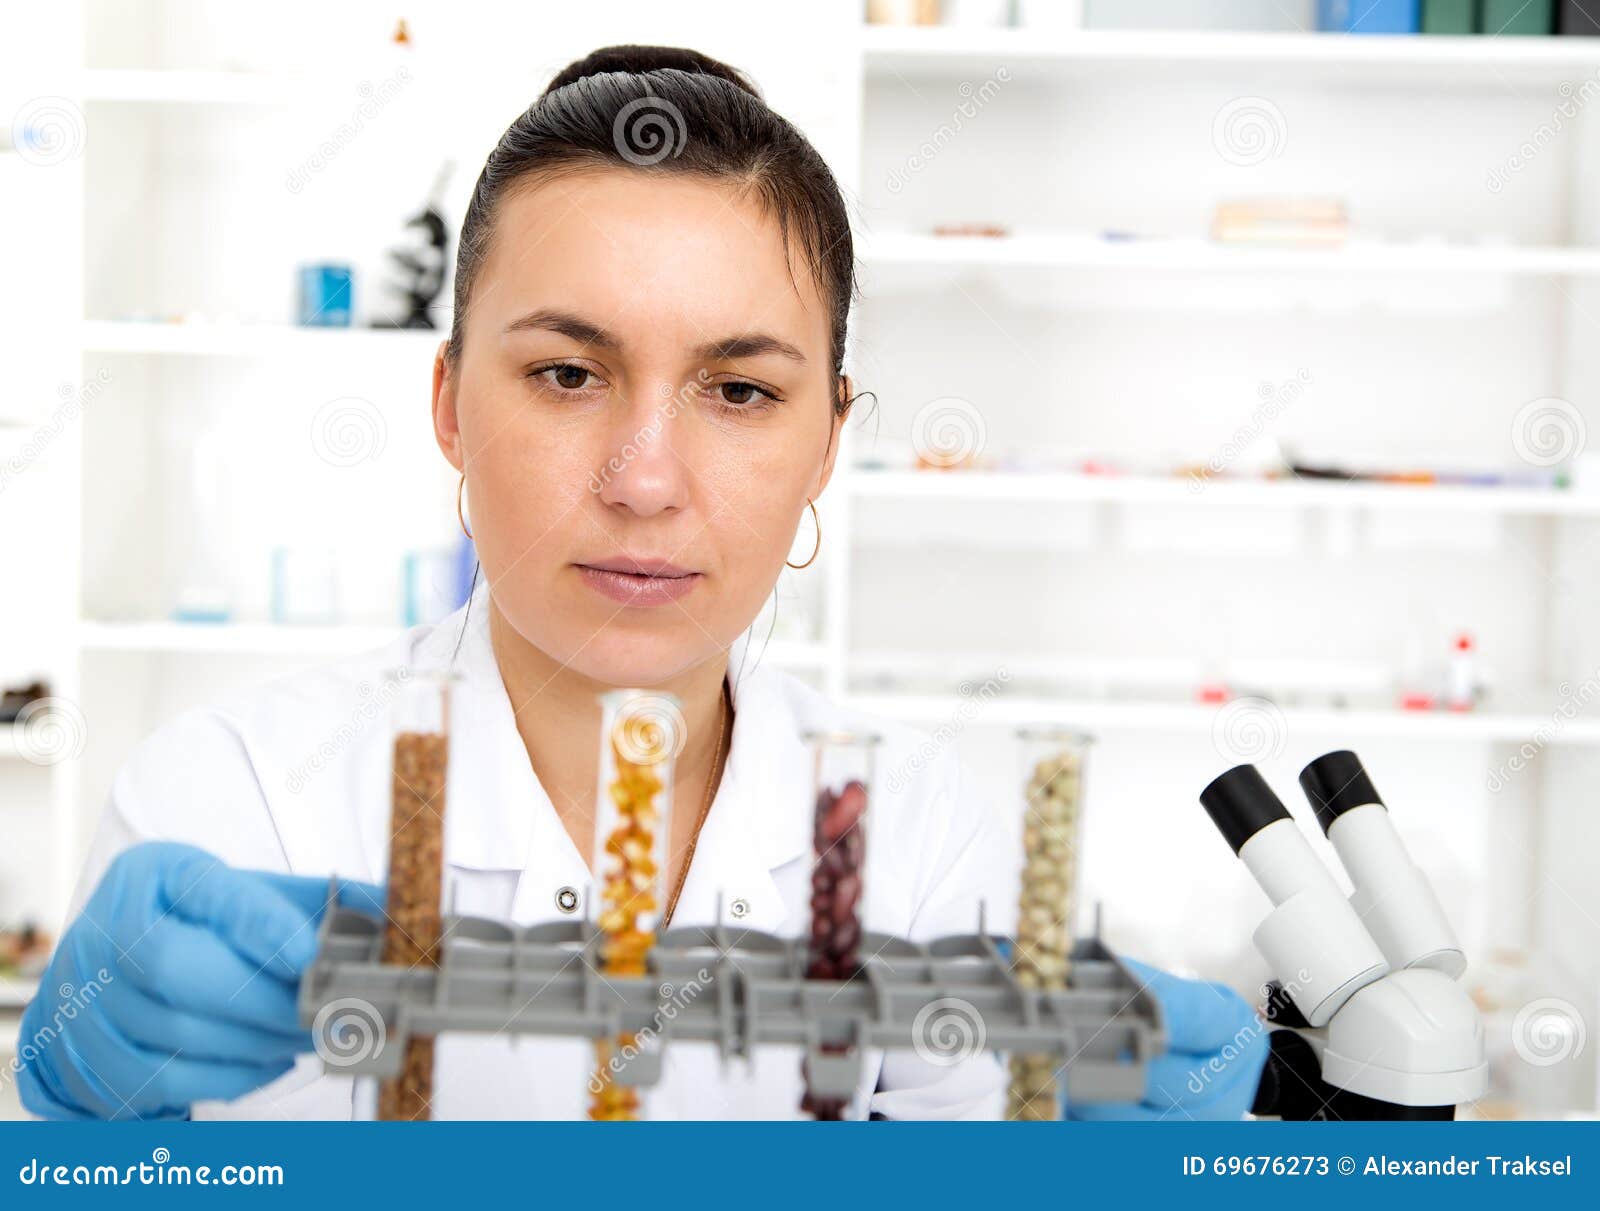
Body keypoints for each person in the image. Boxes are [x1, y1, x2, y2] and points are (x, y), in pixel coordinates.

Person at [17, 44, 1263, 1121]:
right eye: (567, 372)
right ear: (450, 402)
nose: (645, 479)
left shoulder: (916, 838)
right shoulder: (239, 800)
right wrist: (85, 1132)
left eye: (739, 390)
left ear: (827, 441)